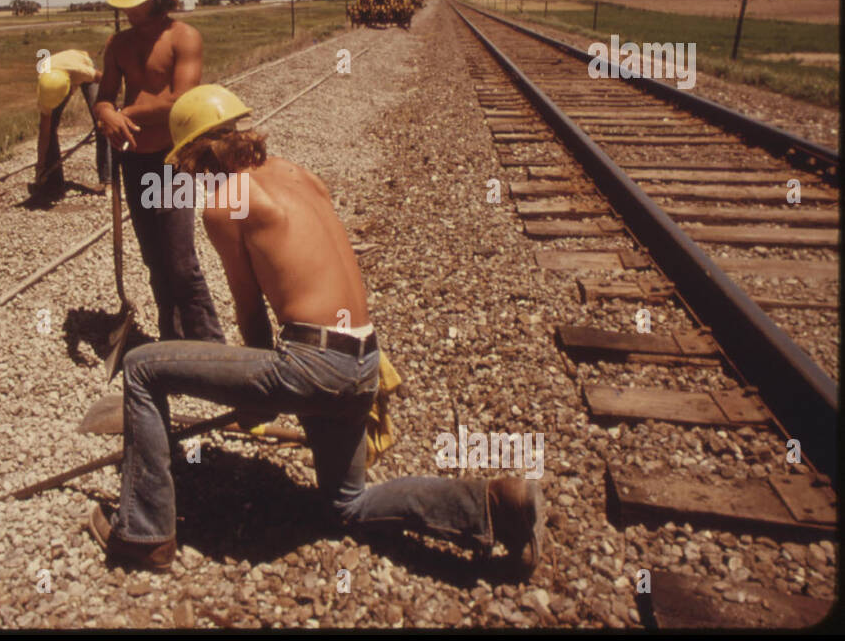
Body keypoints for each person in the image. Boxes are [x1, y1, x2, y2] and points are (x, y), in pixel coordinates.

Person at [87, 85, 544, 579]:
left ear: (196, 157)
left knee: (141, 367)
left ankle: (144, 534)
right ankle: (493, 504)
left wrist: (260, 401)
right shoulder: (295, 172)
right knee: (347, 504)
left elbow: (250, 311)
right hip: (364, 358)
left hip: (313, 364)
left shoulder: (225, 203)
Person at [91, 0, 224, 342]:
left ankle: (211, 348)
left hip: (172, 162)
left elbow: (180, 103)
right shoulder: (118, 45)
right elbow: (103, 96)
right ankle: (172, 342)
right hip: (134, 163)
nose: (129, 10)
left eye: (137, 2)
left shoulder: (184, 38)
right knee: (154, 259)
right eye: (124, 3)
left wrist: (121, 114)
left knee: (181, 262)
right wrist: (104, 112)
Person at [31, 49, 110, 199]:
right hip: (56, 75)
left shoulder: (81, 71)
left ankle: (108, 180)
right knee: (50, 126)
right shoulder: (45, 86)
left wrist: (111, 106)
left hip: (81, 62)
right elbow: (45, 132)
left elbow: (105, 80)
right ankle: (53, 180)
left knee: (101, 122)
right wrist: (40, 166)